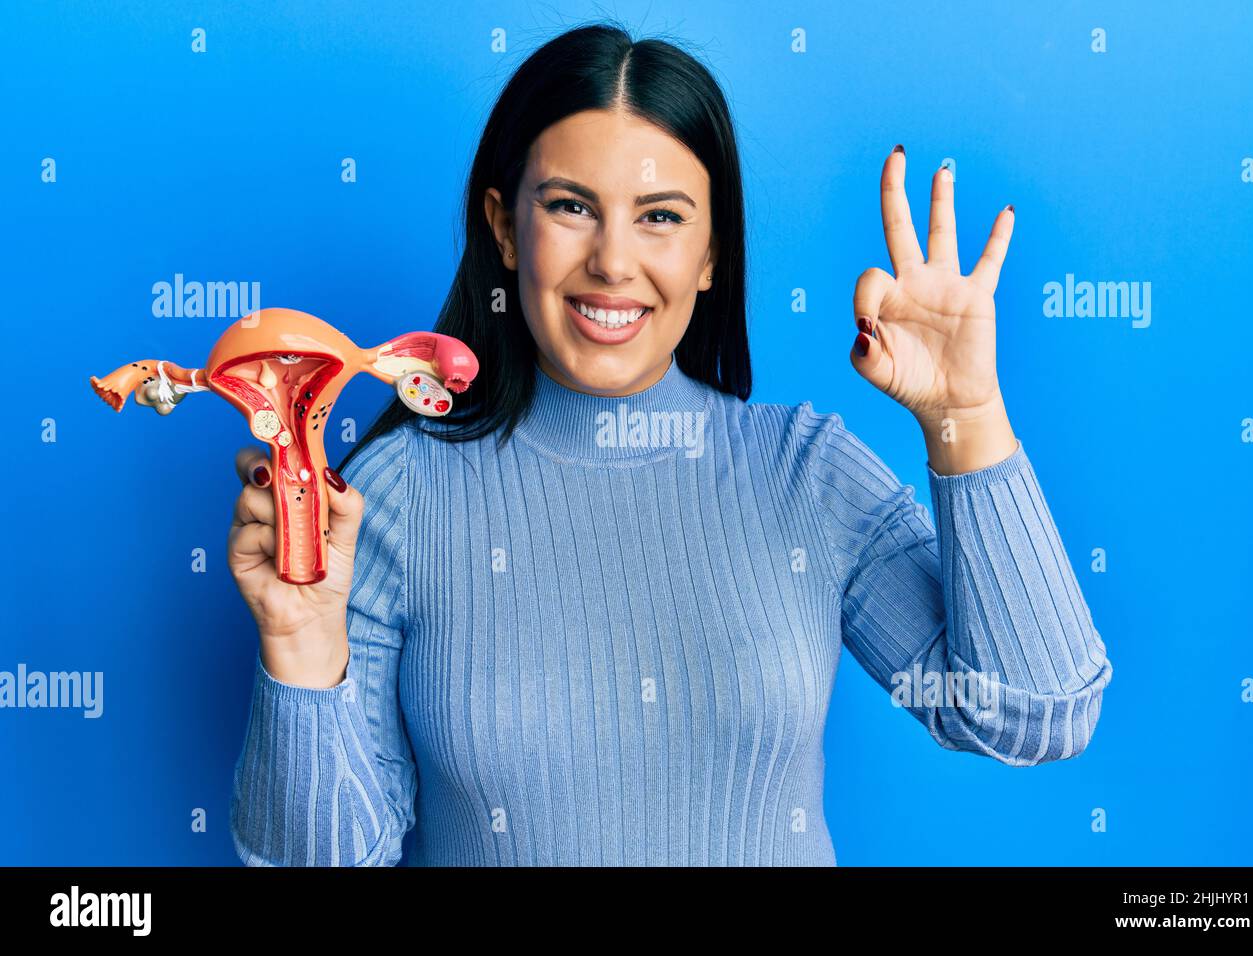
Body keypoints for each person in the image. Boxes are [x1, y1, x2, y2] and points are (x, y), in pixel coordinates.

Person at [226, 22, 1113, 867]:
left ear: (712, 254)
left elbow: (1034, 716)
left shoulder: (802, 474)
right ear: (503, 227)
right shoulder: (396, 493)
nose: (614, 262)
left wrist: (969, 411)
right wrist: (300, 646)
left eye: (660, 217)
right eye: (572, 206)